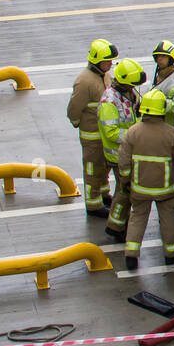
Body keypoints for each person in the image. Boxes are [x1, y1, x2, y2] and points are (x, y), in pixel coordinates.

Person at [117, 89, 174, 270]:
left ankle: (131, 256)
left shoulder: (132, 133)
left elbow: (124, 162)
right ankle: (170, 255)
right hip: (166, 190)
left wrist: (125, 182)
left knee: (137, 219)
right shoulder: (172, 134)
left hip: (139, 189)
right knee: (168, 220)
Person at [66, 38, 118, 218]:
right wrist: (77, 123)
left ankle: (104, 195)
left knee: (103, 167)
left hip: (103, 135)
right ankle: (93, 205)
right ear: (97, 61)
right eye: (107, 61)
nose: (110, 64)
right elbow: (74, 109)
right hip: (92, 136)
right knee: (92, 170)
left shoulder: (105, 76)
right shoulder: (84, 82)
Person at [99, 58, 146, 242]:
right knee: (123, 192)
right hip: (117, 155)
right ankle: (115, 226)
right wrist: (135, 134)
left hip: (127, 153)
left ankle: (118, 223)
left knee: (124, 190)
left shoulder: (128, 92)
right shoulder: (109, 102)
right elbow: (111, 132)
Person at [150, 39, 174, 127]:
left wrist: (155, 103)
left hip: (168, 126)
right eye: (158, 56)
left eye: (163, 56)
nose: (160, 59)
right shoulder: (158, 75)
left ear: (171, 59)